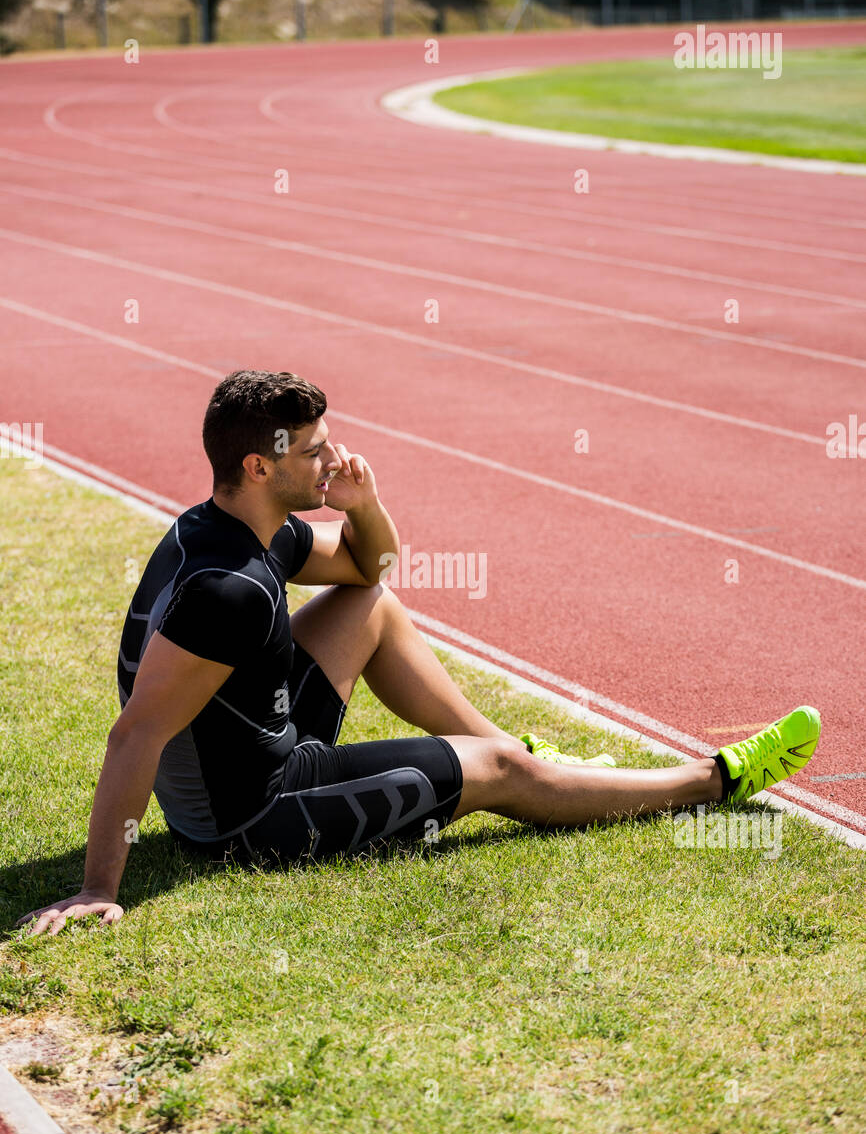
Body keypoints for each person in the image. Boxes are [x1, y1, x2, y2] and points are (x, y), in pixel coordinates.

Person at [19, 370, 821, 937]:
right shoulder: (224, 589)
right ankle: (714, 780)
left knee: (370, 607)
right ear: (260, 465)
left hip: (260, 740)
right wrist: (98, 886)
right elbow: (137, 734)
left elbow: (373, 569)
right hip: (252, 816)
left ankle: (502, 744)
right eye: (314, 453)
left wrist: (365, 505)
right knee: (504, 782)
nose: (331, 462)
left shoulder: (238, 523)